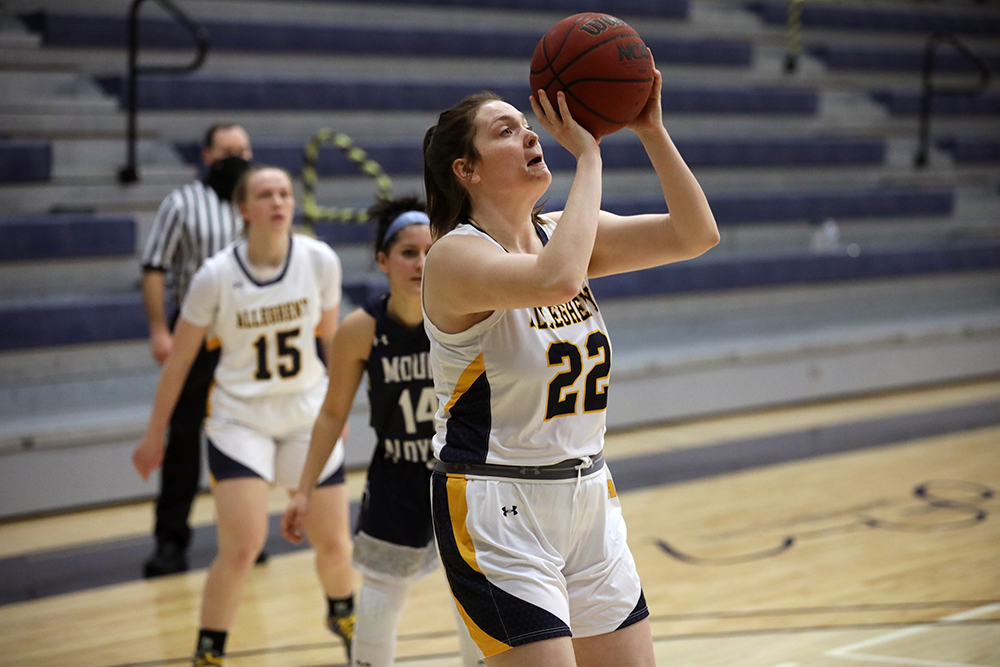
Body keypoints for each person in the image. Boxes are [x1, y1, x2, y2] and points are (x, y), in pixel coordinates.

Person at [419, 63, 719, 667]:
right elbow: (555, 280)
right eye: (506, 131)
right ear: (466, 170)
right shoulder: (454, 257)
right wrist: (590, 158)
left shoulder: (561, 233)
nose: (530, 134)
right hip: (496, 503)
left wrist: (651, 131)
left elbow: (695, 234)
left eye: (526, 124)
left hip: (588, 495)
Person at [132, 166, 356, 667]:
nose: (278, 202)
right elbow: (180, 361)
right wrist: (154, 436)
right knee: (242, 547)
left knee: (334, 543)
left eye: (285, 193)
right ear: (243, 209)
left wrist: (335, 410)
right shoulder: (214, 275)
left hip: (305, 415)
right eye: (265, 194)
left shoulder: (319, 260)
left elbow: (331, 342)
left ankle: (344, 616)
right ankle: (209, 651)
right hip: (239, 421)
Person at [281, 196, 485, 667]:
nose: (421, 263)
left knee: (477, 608)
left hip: (464, 477)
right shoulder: (359, 329)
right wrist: (303, 490)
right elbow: (332, 413)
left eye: (431, 251)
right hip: (397, 479)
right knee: (375, 611)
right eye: (408, 253)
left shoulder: (468, 315)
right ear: (382, 260)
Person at [139, 123, 253, 577]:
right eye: (227, 151)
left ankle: (244, 536)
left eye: (243, 150)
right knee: (185, 440)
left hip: (243, 336)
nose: (237, 157)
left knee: (243, 438)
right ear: (207, 156)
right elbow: (154, 267)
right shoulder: (182, 203)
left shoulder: (256, 202)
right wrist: (158, 330)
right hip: (195, 333)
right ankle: (170, 541)